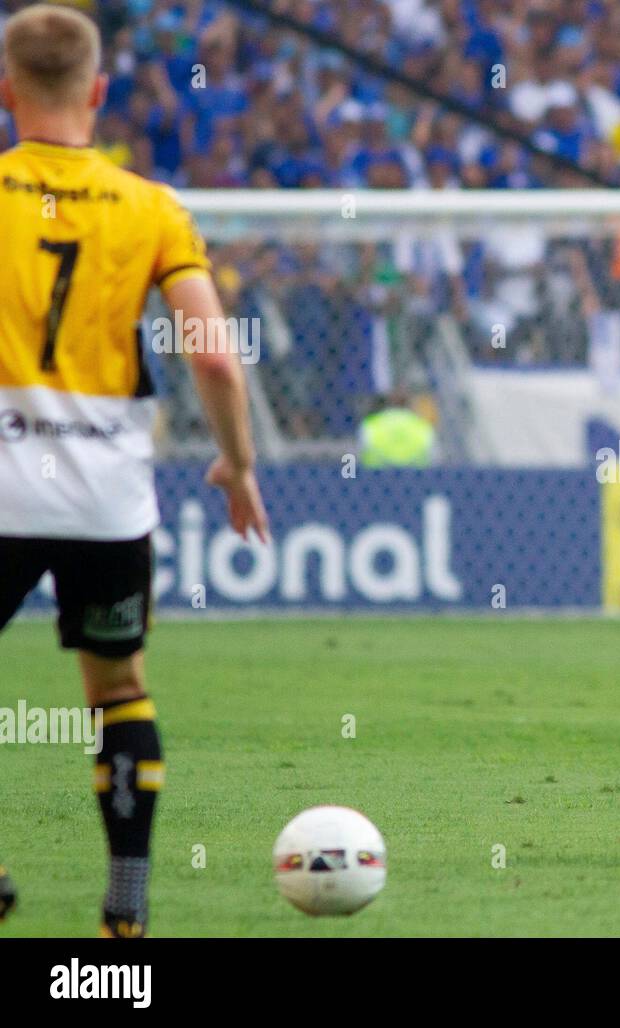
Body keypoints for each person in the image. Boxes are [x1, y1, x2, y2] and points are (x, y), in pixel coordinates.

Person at [0, 5, 268, 936]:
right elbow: (215, 356)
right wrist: (236, 465)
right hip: (105, 491)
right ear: (100, 93)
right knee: (118, 688)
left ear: (6, 92)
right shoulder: (151, 207)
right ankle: (126, 912)